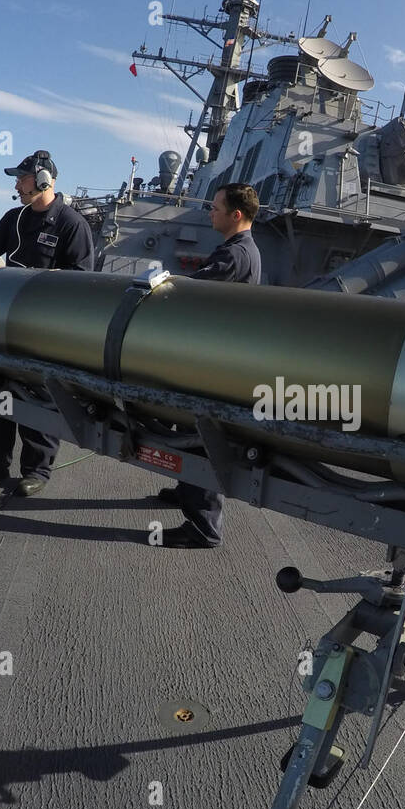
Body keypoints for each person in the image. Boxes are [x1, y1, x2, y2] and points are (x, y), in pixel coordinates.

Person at [0, 150, 95, 496]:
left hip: (45, 332)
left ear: (44, 180)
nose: (17, 184)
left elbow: (83, 280)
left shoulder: (71, 225)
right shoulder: (15, 218)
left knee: (37, 398)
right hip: (7, 324)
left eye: (22, 178)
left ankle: (36, 472)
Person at [155, 182, 261, 548]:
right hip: (217, 355)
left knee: (201, 434)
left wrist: (163, 285)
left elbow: (194, 291)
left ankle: (203, 527)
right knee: (192, 429)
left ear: (235, 215)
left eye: (215, 207)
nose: (210, 212)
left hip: (214, 362)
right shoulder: (240, 249)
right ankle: (188, 491)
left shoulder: (234, 256)